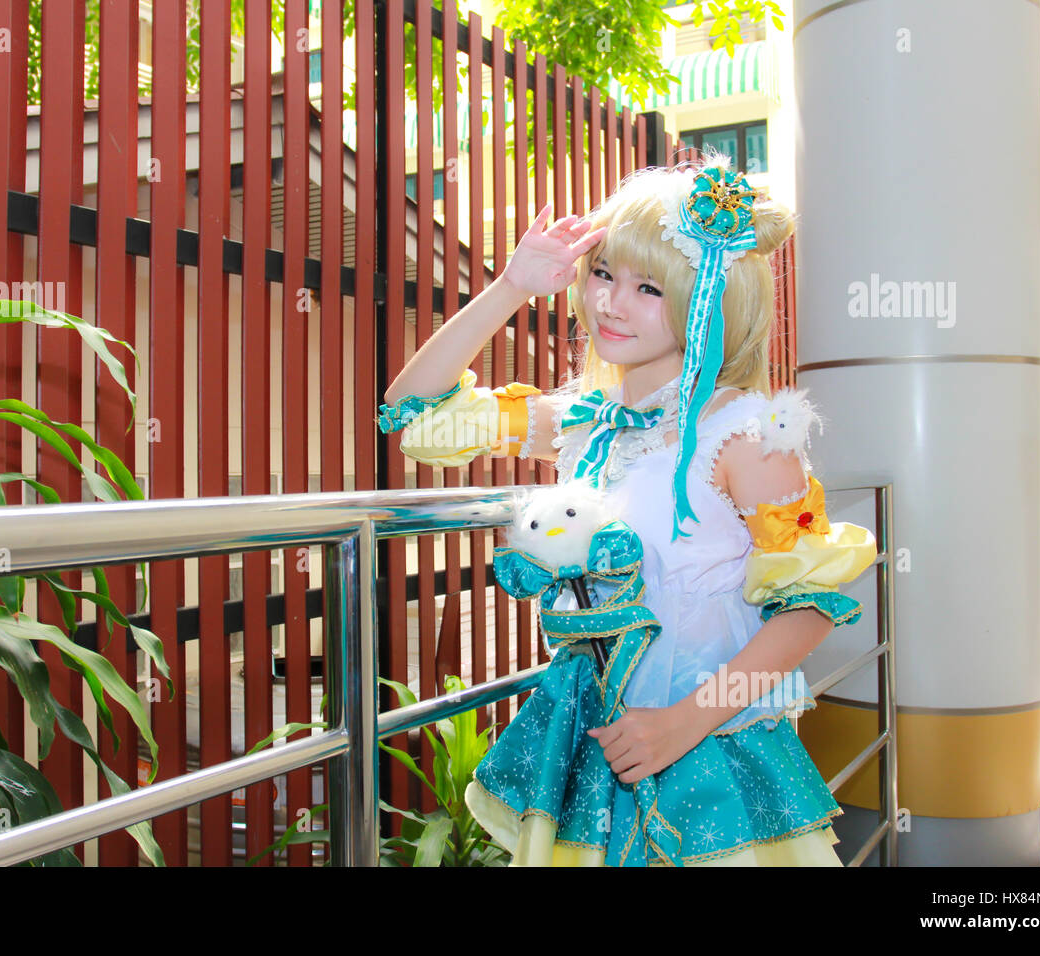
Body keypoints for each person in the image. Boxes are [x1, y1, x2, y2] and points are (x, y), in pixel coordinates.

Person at [375, 152, 878, 866]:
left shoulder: (748, 435)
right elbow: (413, 416)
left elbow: (807, 608)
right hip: (594, 741)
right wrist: (513, 286)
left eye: (649, 286)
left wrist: (682, 724)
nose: (609, 301)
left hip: (709, 750)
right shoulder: (584, 421)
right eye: (604, 273)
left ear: (710, 297)